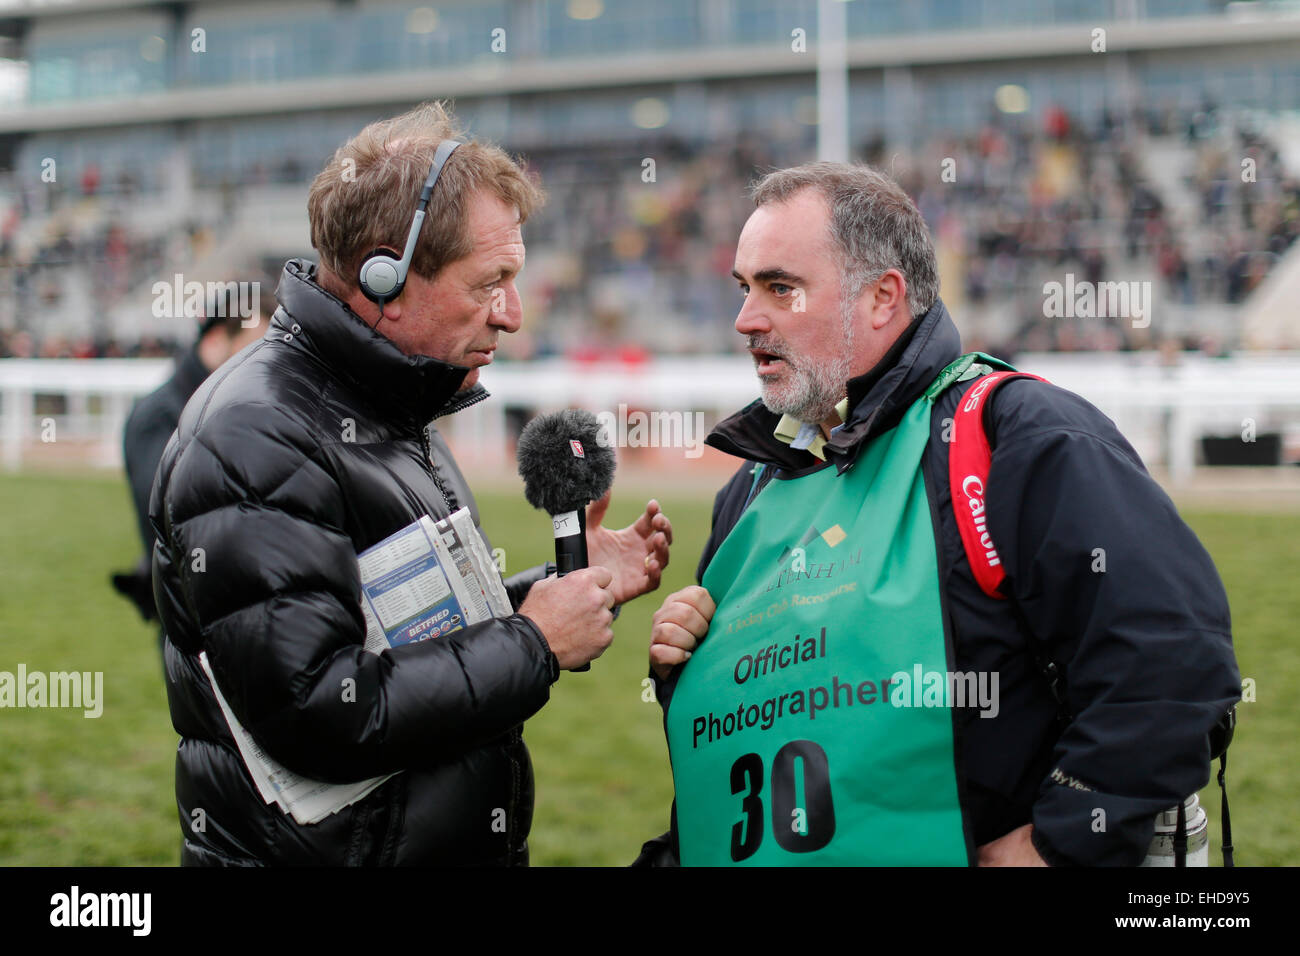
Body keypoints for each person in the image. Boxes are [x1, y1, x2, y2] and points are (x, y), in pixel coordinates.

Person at [638, 162, 1240, 866]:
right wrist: (698, 664)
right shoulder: (751, 488)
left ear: (881, 298)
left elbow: (1172, 657)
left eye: (780, 288)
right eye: (744, 289)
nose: (746, 320)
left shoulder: (1022, 433)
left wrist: (1064, 838)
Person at [150, 102, 672, 866]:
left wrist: (554, 592)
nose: (514, 315)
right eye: (490, 282)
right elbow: (320, 712)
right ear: (382, 273)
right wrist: (533, 643)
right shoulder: (254, 436)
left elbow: (405, 630)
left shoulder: (385, 403)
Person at [113, 278, 272, 624]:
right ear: (215, 341)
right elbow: (175, 521)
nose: (263, 364)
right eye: (253, 349)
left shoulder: (227, 406)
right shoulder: (158, 417)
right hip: (195, 620)